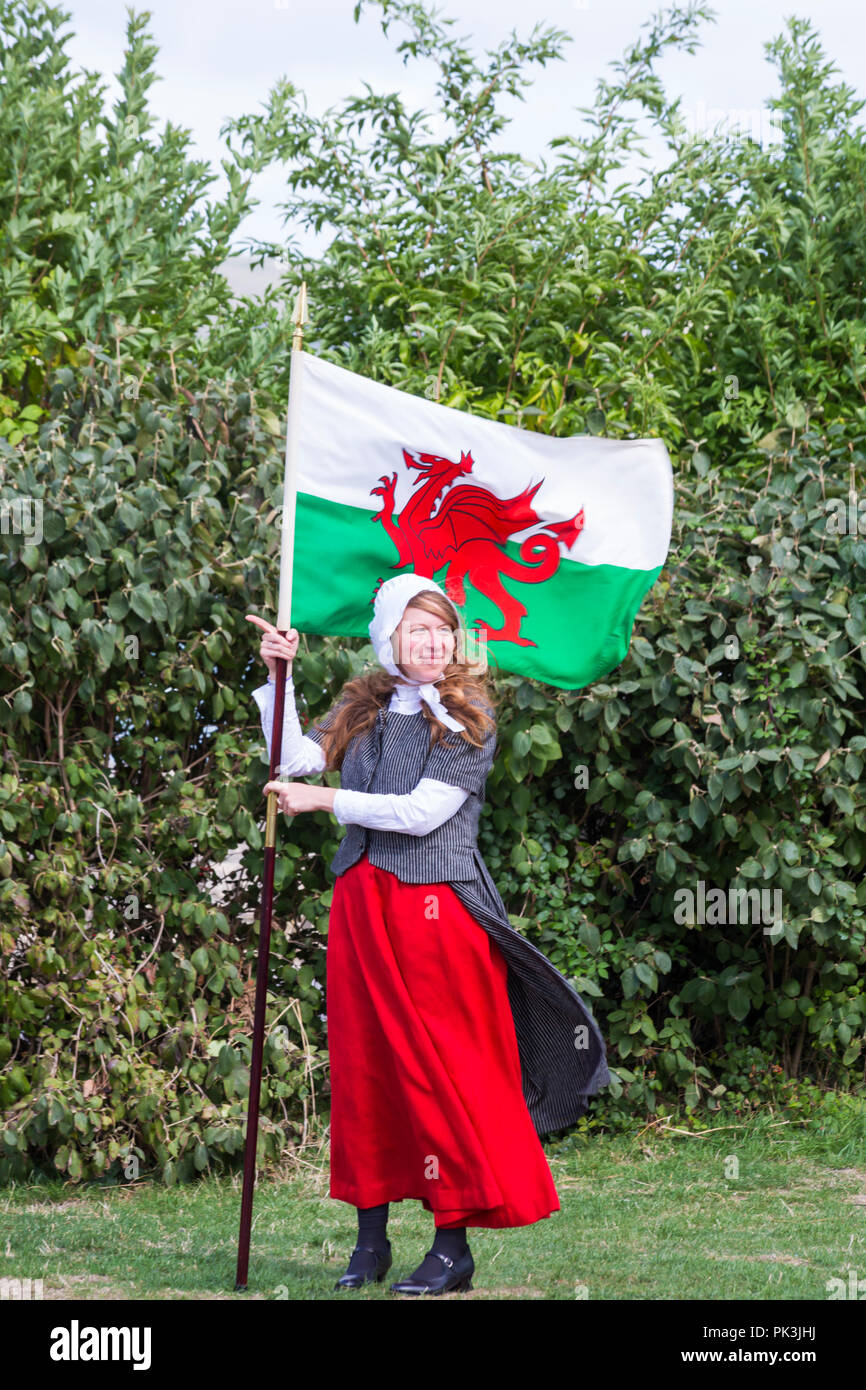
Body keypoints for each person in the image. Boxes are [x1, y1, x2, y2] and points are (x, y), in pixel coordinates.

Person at [247, 573, 610, 1296]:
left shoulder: (467, 711)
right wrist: (278, 679)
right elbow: (292, 763)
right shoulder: (364, 701)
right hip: (361, 907)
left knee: (443, 1075)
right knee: (366, 1071)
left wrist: (326, 802)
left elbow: (420, 813)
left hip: (438, 914)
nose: (435, 640)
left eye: (443, 627)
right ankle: (370, 1241)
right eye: (418, 628)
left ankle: (451, 1247)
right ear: (389, 638)